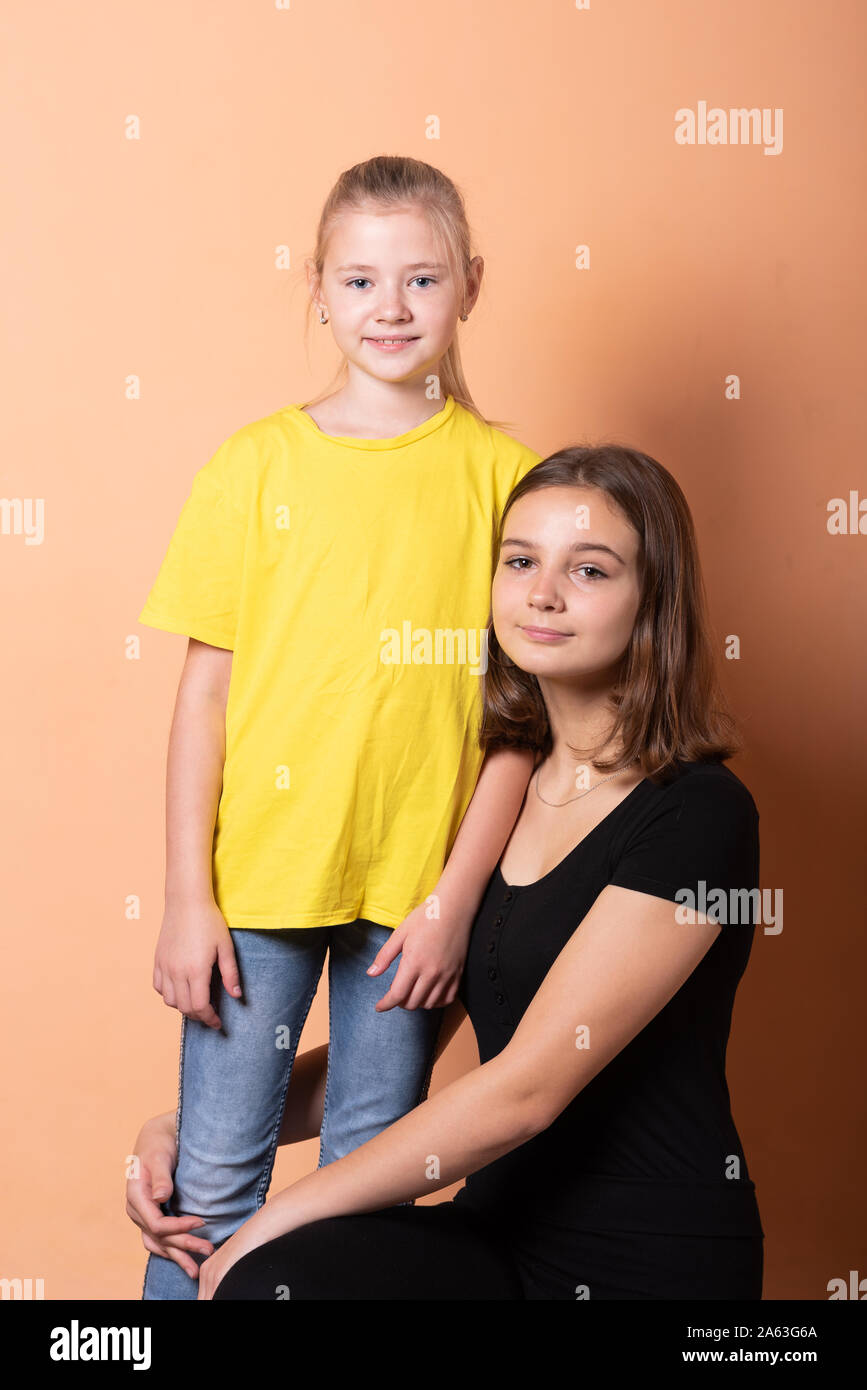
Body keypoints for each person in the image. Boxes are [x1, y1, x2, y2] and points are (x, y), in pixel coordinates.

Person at [128, 442, 765, 1300]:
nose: (541, 593)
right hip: (494, 1236)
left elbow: (524, 1092)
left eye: (589, 570)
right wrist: (185, 1128)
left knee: (260, 1266)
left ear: (654, 601)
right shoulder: (494, 811)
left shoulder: (697, 812)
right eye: (519, 561)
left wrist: (268, 1221)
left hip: (644, 1258)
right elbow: (393, 1049)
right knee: (280, 1284)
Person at [135, 153, 541, 1299]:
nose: (391, 309)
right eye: (360, 282)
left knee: (370, 1176)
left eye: (421, 280)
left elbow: (516, 724)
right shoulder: (252, 465)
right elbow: (203, 694)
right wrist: (184, 896)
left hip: (414, 899)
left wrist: (457, 900)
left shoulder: (508, 480)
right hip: (257, 883)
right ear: (316, 288)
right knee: (211, 1182)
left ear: (472, 282)